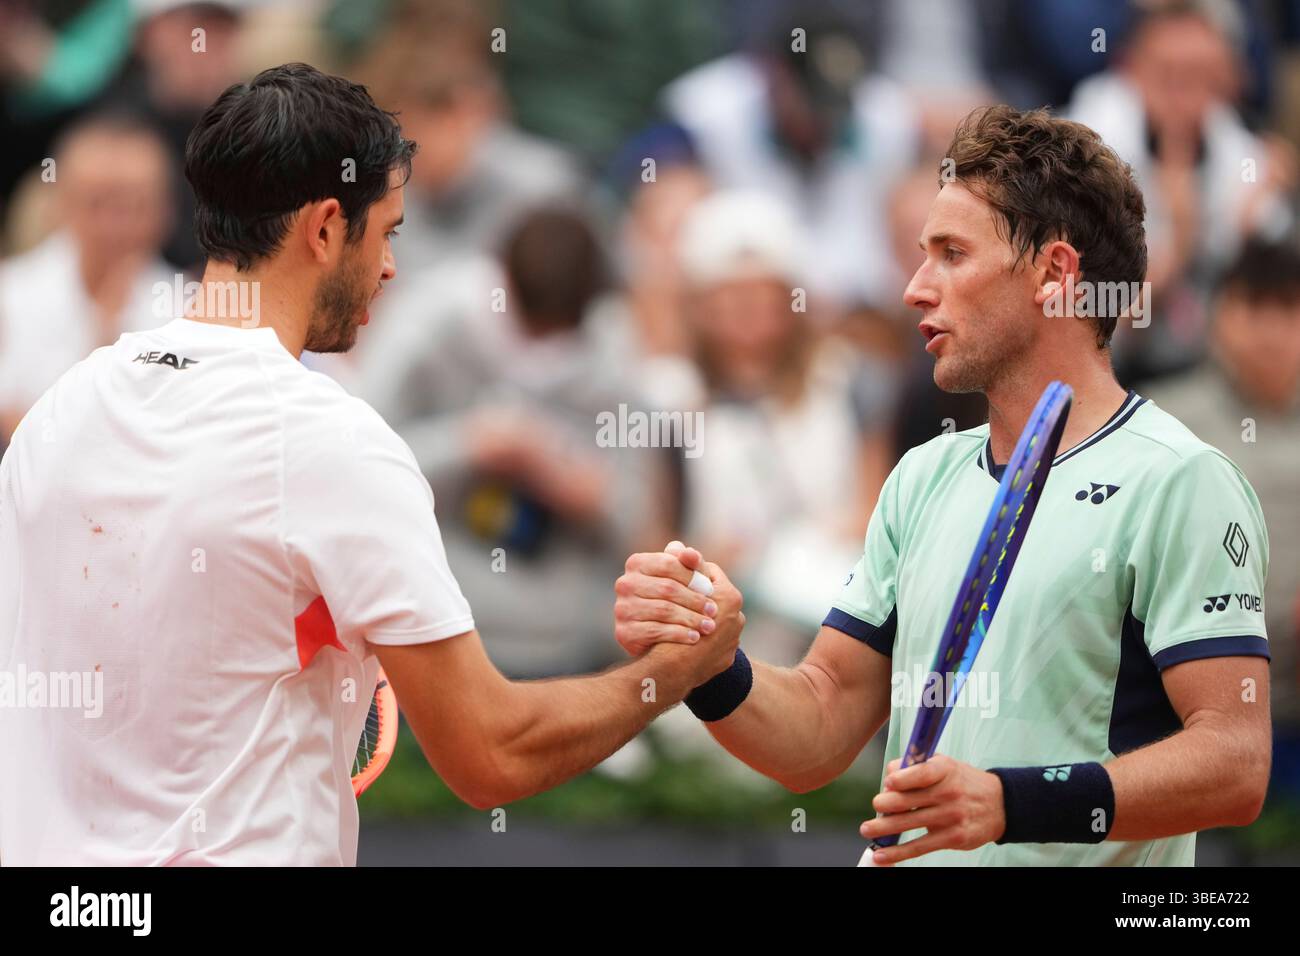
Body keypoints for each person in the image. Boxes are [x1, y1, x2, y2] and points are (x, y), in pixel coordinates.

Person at [0, 63, 742, 866]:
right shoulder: (332, 441)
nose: (390, 268)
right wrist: (674, 671)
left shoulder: (57, 413)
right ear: (324, 229)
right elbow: (492, 753)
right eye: (386, 231)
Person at [614, 105, 1272, 866]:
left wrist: (1009, 802)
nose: (915, 289)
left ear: (1056, 275)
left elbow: (1234, 762)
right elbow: (819, 726)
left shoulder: (1182, 483)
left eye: (952, 254)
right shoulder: (921, 477)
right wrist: (708, 662)